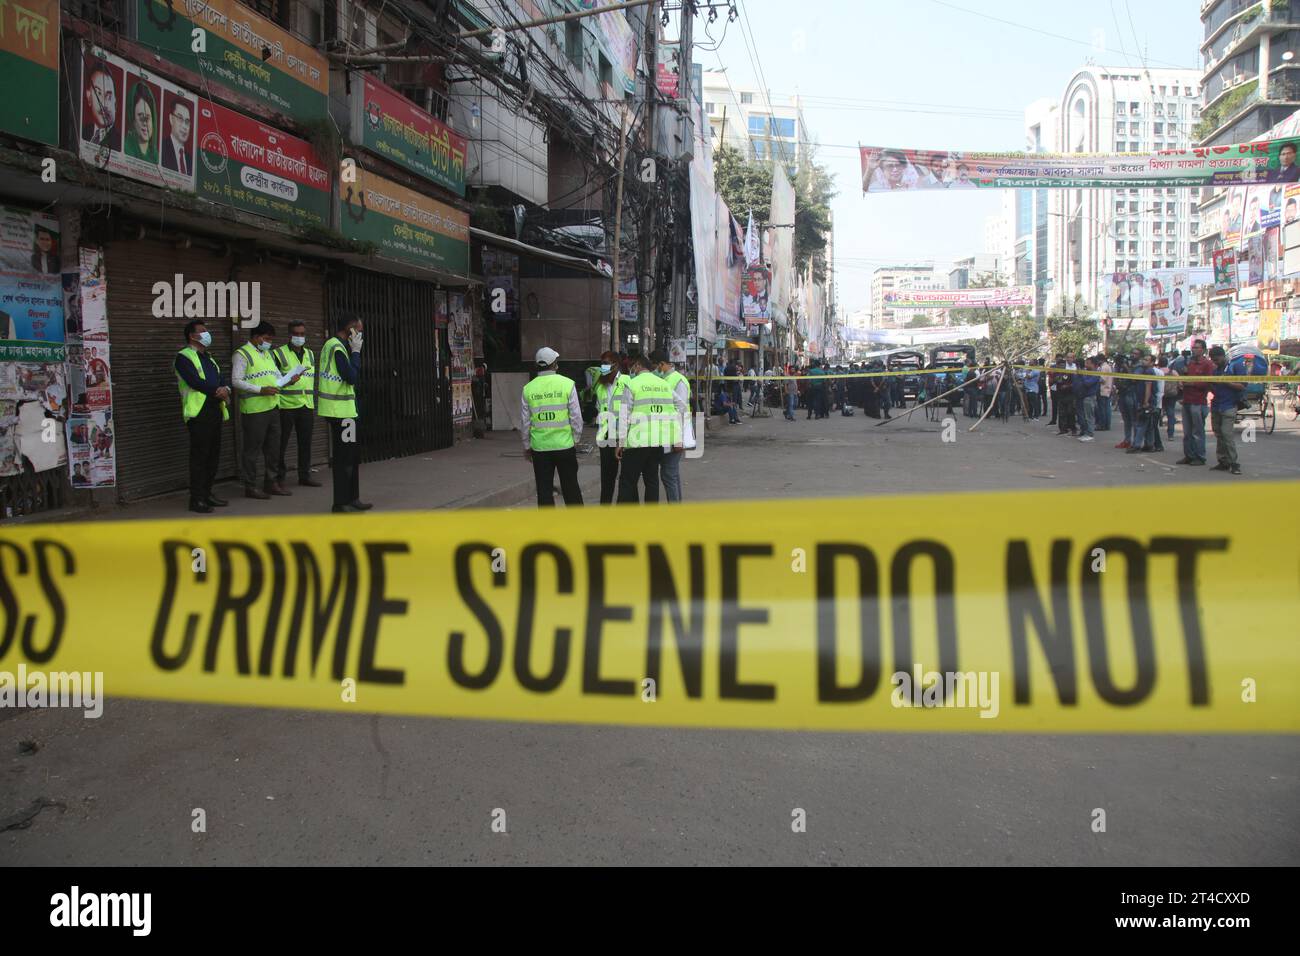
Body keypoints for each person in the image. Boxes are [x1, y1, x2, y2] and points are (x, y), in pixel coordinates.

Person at [174, 320, 231, 513]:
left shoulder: (208, 357)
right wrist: (217, 390)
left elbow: (220, 377)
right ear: (192, 336)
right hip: (199, 413)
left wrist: (225, 389)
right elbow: (194, 381)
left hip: (215, 410)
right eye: (203, 331)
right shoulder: (183, 357)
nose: (207, 334)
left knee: (213, 456)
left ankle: (207, 494)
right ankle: (196, 499)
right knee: (200, 457)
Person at [233, 322, 294, 499]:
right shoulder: (242, 354)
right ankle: (250, 486)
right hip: (254, 411)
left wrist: (289, 380)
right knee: (252, 450)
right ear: (256, 337)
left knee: (273, 449)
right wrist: (261, 390)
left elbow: (276, 377)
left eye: (270, 339)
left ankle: (271, 483)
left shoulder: (266, 354)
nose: (269, 342)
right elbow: (236, 381)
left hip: (273, 407)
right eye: (266, 339)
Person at [318, 313, 372, 512]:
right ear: (350, 329)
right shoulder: (337, 347)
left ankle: (352, 498)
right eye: (358, 331)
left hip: (344, 410)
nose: (359, 335)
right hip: (341, 412)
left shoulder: (333, 346)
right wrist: (356, 353)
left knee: (352, 456)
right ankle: (341, 503)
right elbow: (350, 377)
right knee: (344, 459)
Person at [521, 346, 584, 507]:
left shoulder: (528, 389)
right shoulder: (567, 384)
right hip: (564, 446)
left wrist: (527, 446)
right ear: (555, 364)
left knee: (544, 490)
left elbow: (525, 421)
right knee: (571, 488)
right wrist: (575, 439)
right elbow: (576, 417)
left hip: (540, 448)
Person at [617, 352, 675, 504]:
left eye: (633, 367)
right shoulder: (664, 385)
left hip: (637, 441)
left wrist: (620, 442)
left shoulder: (632, 384)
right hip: (657, 441)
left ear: (638, 365)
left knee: (628, 481)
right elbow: (677, 408)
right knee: (652, 481)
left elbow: (624, 416)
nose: (632, 371)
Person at [272, 320, 320, 489]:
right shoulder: (278, 353)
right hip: (286, 406)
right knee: (281, 444)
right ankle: (279, 478)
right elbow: (273, 380)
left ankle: (304, 476)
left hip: (306, 405)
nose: (300, 337)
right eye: (296, 334)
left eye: (302, 334)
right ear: (289, 335)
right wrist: (288, 382)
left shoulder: (310, 354)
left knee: (305, 443)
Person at [654, 349, 692, 503]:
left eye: (655, 366)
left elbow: (681, 410)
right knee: (672, 474)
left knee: (668, 474)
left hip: (675, 435)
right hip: (667, 434)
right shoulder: (666, 380)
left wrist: (678, 439)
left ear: (662, 365)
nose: (654, 371)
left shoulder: (678, 380)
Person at [593, 350, 630, 504]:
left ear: (615, 365)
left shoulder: (628, 381)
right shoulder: (600, 386)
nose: (603, 367)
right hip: (606, 437)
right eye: (602, 363)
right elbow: (599, 408)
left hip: (625, 435)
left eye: (606, 363)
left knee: (627, 477)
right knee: (607, 477)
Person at [1208, 345, 1245, 475]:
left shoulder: (1235, 366)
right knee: (1219, 434)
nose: (1215, 362)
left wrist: (1227, 382)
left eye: (1217, 359)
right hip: (1217, 404)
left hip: (1229, 405)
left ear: (1223, 356)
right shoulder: (1216, 370)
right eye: (1213, 360)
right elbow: (1213, 387)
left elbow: (1242, 386)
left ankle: (1234, 463)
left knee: (1227, 434)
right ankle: (1223, 461)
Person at [1177, 339, 1214, 466]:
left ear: (1203, 350)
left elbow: (1207, 383)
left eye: (1197, 347)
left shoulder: (1207, 364)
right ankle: (1189, 455)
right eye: (1193, 347)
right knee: (1187, 432)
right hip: (1187, 400)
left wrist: (1191, 383)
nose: (1194, 350)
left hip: (1198, 402)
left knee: (1197, 432)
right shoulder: (1190, 363)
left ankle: (1200, 456)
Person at [82, 60, 120, 152]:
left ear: (115, 103)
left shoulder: (120, 144)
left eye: (108, 96)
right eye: (98, 93)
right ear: (89, 97)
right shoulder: (83, 133)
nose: (103, 103)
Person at [123, 82, 158, 164]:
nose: (145, 123)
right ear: (133, 120)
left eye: (148, 118)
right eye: (141, 117)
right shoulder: (125, 150)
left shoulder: (156, 157)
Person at [160, 97, 193, 176]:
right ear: (171, 119)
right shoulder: (161, 148)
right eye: (180, 118)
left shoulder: (190, 160)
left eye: (187, 122)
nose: (184, 126)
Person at [1075, 357, 1099, 441]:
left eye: (1088, 363)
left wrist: (1082, 376)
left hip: (1090, 397)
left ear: (1094, 364)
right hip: (1082, 396)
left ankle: (1090, 433)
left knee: (1089, 416)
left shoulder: (1095, 373)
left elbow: (1088, 383)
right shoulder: (1086, 372)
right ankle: (1085, 431)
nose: (1086, 365)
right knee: (1083, 415)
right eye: (1086, 363)